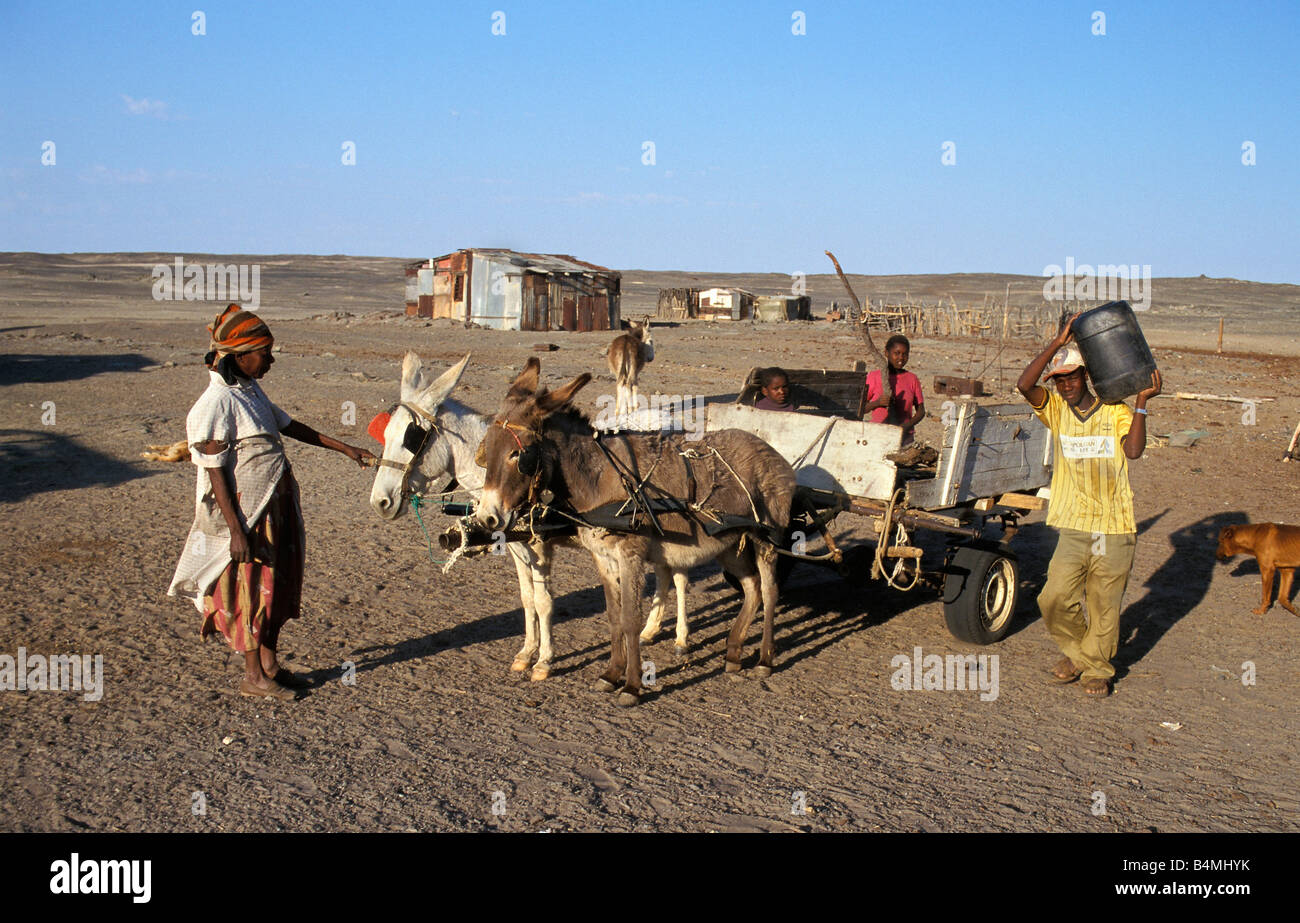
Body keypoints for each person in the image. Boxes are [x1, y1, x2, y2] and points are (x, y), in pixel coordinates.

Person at [168, 304, 375, 700]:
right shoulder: (215, 404)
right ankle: (253, 678)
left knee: (277, 586)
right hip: (247, 515)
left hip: (275, 507)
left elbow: (288, 425)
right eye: (264, 354)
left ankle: (270, 665)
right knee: (252, 590)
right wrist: (236, 532)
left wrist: (344, 448)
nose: (271, 361)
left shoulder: (248, 391)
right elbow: (215, 472)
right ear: (239, 355)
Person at [1016, 315, 1162, 698]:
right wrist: (1056, 340)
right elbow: (1023, 384)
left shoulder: (1115, 412)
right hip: (1075, 524)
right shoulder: (1055, 410)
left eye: (1072, 377)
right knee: (1054, 597)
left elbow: (1133, 451)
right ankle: (1081, 653)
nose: (1065, 385)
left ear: (1088, 375)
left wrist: (1142, 403)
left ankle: (1096, 667)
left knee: (1103, 603)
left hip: (1114, 525)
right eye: (1059, 379)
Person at [861, 334, 926, 444]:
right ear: (886, 353)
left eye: (905, 354)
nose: (901, 357)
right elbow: (860, 408)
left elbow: (921, 412)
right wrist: (877, 403)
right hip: (877, 434)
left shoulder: (912, 379)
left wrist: (906, 426)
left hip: (904, 437)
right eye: (897, 353)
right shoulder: (874, 377)